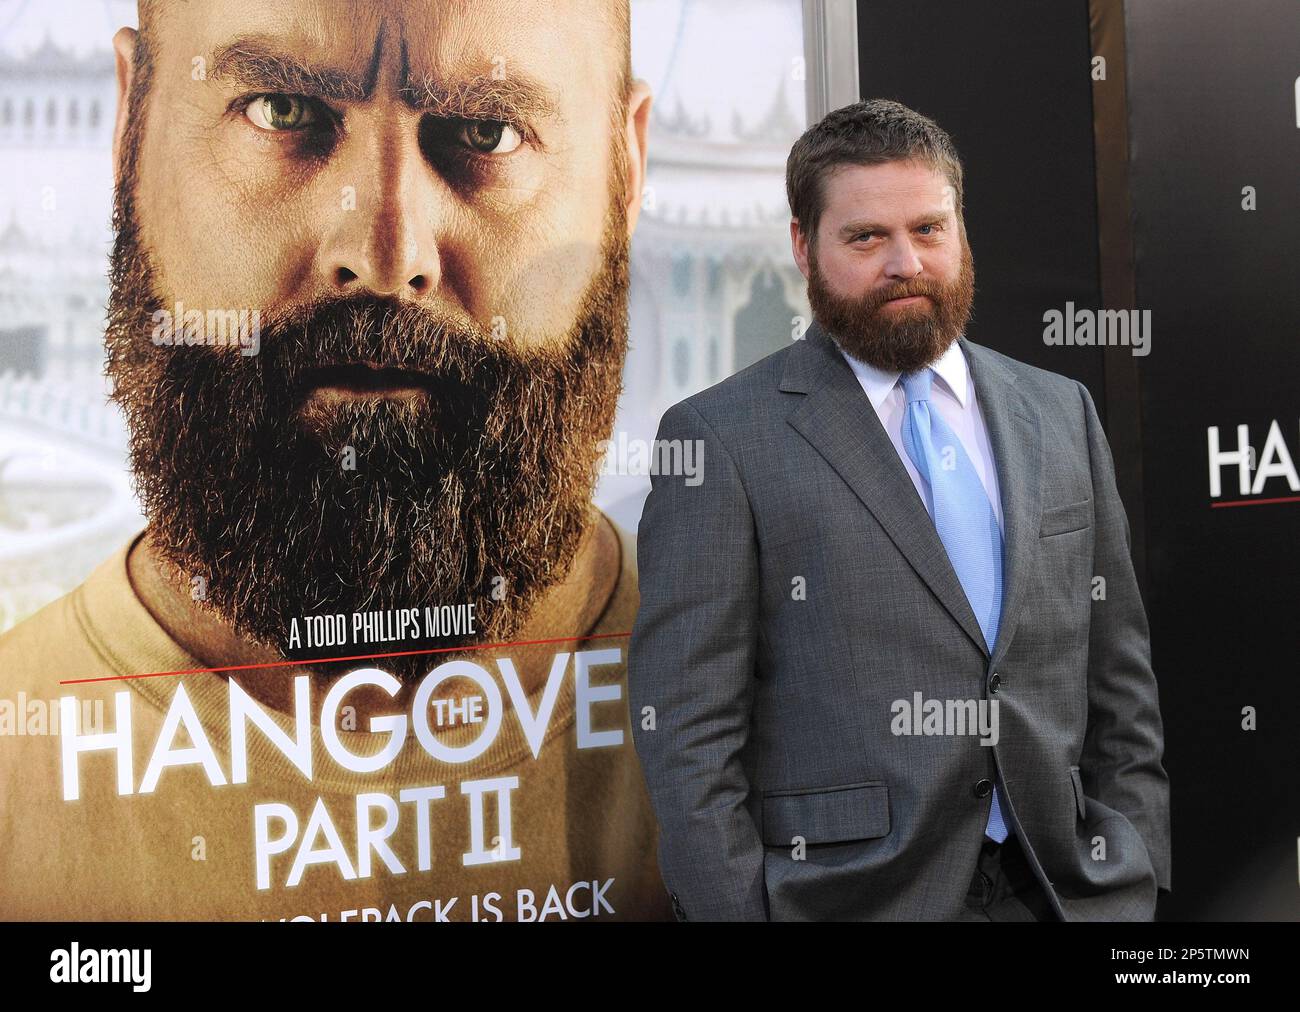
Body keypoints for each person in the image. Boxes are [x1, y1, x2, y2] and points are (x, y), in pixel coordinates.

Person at [0, 0, 673, 922]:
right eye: (281, 111)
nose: (386, 254)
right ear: (130, 129)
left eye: (488, 130)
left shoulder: (795, 709)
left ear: (624, 173)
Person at [628, 98, 1171, 921]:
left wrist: (1134, 865)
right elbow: (689, 734)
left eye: (928, 229)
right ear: (803, 247)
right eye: (866, 237)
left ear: (961, 231)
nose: (905, 263)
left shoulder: (1060, 412)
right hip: (852, 900)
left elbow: (1120, 676)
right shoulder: (719, 439)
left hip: (1067, 894)